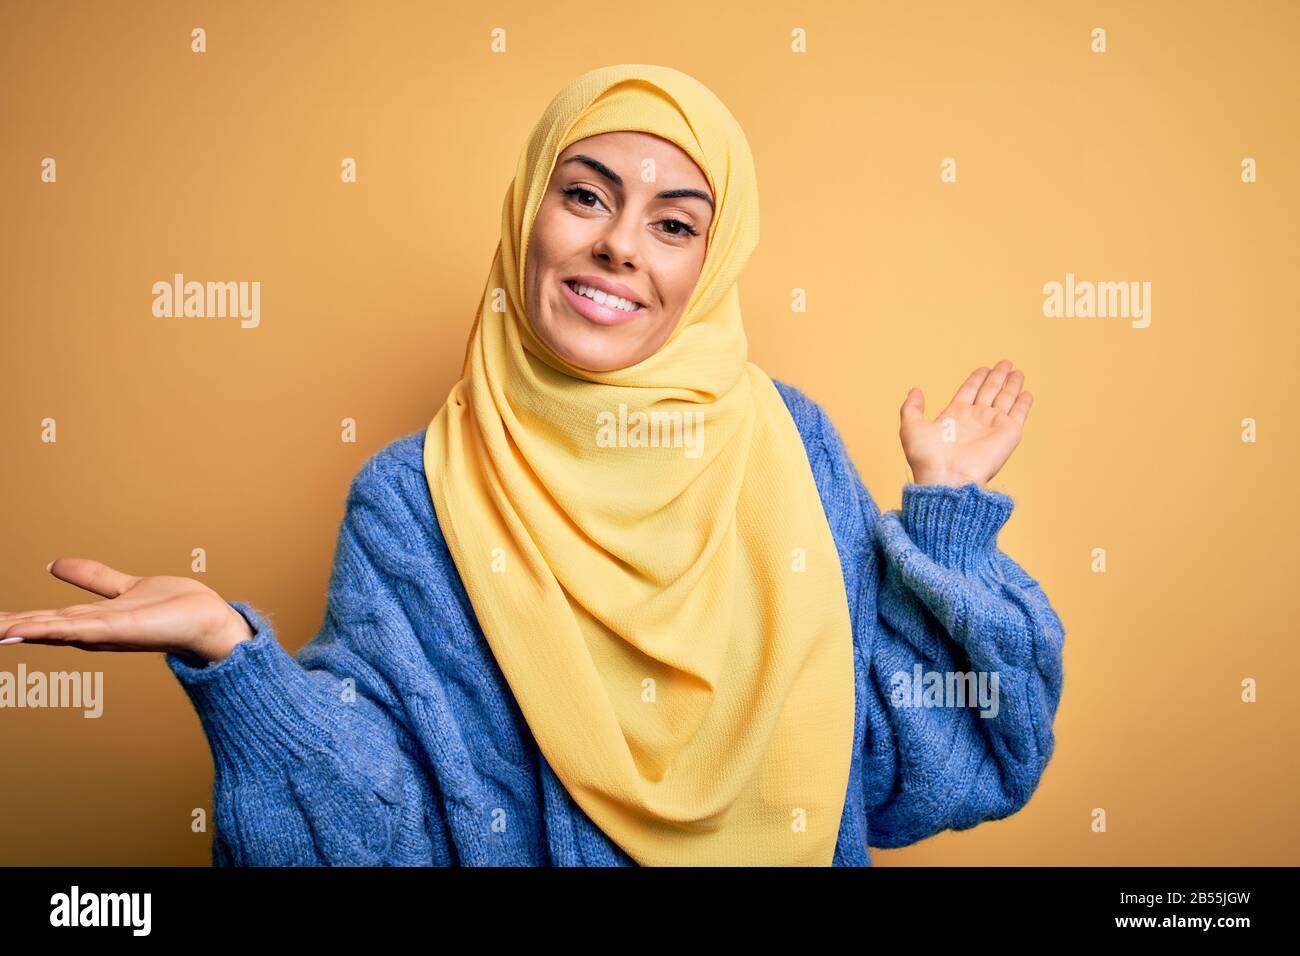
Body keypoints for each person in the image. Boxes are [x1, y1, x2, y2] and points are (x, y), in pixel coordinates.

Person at [0, 63, 1064, 866]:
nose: (620, 247)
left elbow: (906, 772)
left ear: (714, 259)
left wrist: (945, 520)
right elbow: (389, 833)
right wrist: (234, 659)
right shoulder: (413, 499)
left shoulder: (793, 447)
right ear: (527, 219)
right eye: (587, 196)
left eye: (675, 222)